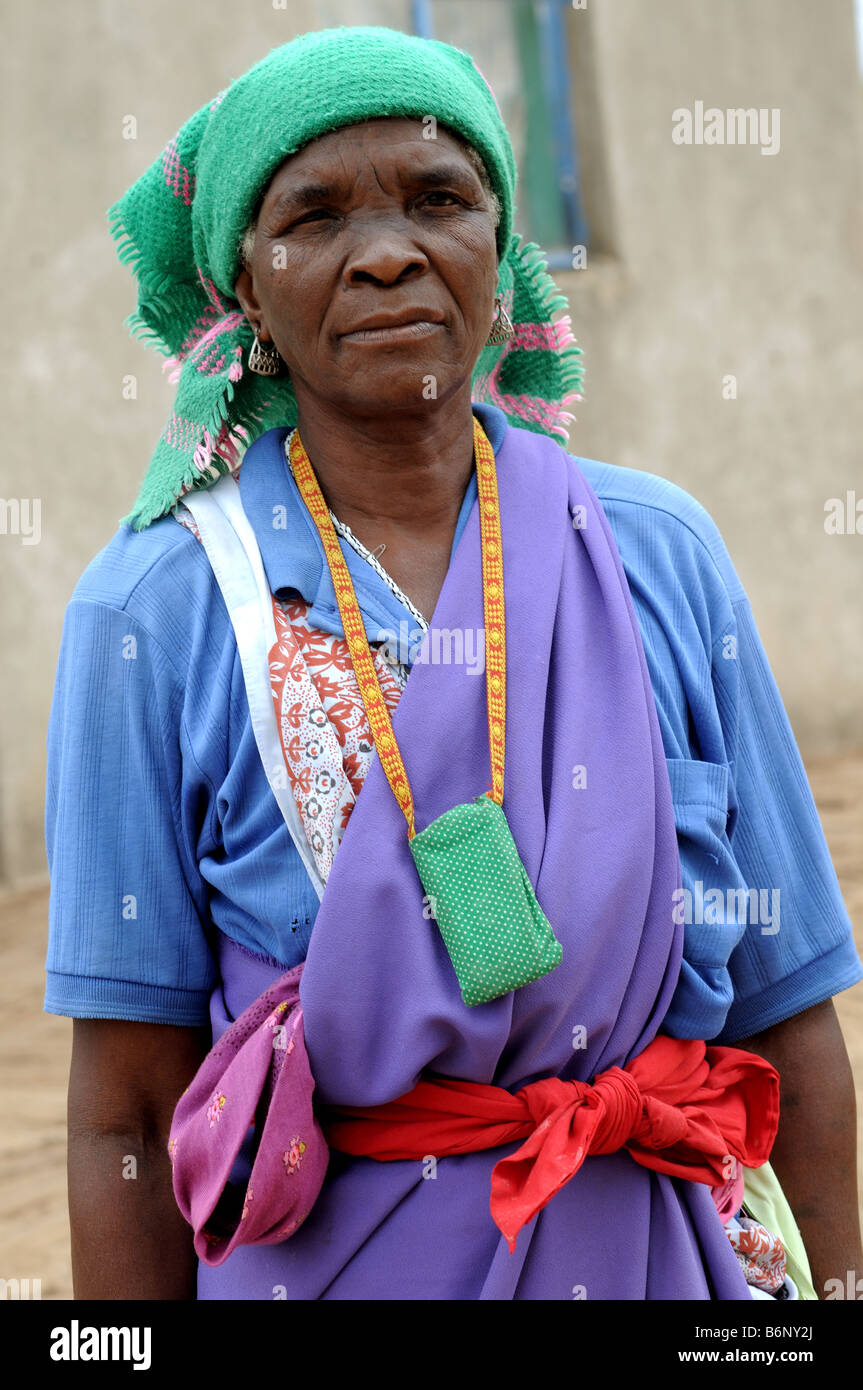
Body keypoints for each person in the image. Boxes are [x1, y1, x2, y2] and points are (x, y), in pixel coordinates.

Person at [44, 26, 862, 1301]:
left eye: (438, 200)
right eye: (313, 217)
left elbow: (787, 1016)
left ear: (500, 253)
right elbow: (125, 1115)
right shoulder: (160, 610)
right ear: (247, 292)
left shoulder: (658, 555)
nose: (385, 253)